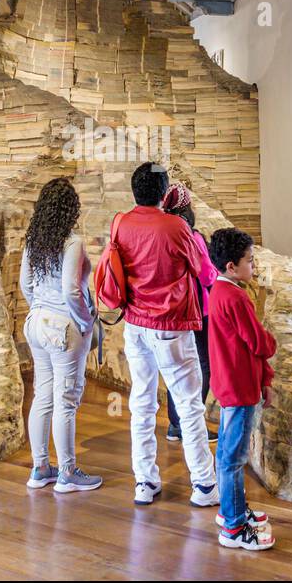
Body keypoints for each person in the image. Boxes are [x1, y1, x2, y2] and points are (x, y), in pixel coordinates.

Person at [114, 163, 218, 508]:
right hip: (171, 326)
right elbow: (204, 272)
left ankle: (144, 481)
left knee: (142, 403)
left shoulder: (120, 222)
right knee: (188, 405)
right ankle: (204, 484)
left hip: (135, 326)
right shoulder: (176, 226)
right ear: (163, 193)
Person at [18, 178, 103, 494]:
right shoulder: (72, 243)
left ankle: (40, 468)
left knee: (42, 395)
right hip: (64, 326)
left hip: (37, 323)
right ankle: (67, 472)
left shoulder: (34, 241)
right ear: (70, 209)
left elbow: (25, 284)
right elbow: (71, 289)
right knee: (66, 400)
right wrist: (85, 321)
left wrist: (38, 309)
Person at [206, 227, 276, 551]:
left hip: (229, 384)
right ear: (231, 266)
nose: (254, 267)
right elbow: (259, 342)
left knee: (226, 452)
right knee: (234, 457)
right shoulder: (235, 297)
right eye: (249, 261)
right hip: (239, 387)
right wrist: (273, 342)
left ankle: (230, 510)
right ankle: (233, 527)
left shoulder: (219, 291)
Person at [160, 183, 217, 445]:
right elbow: (207, 274)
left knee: (176, 368)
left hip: (169, 312)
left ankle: (175, 422)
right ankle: (191, 422)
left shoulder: (160, 233)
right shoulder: (191, 236)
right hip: (197, 310)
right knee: (202, 365)